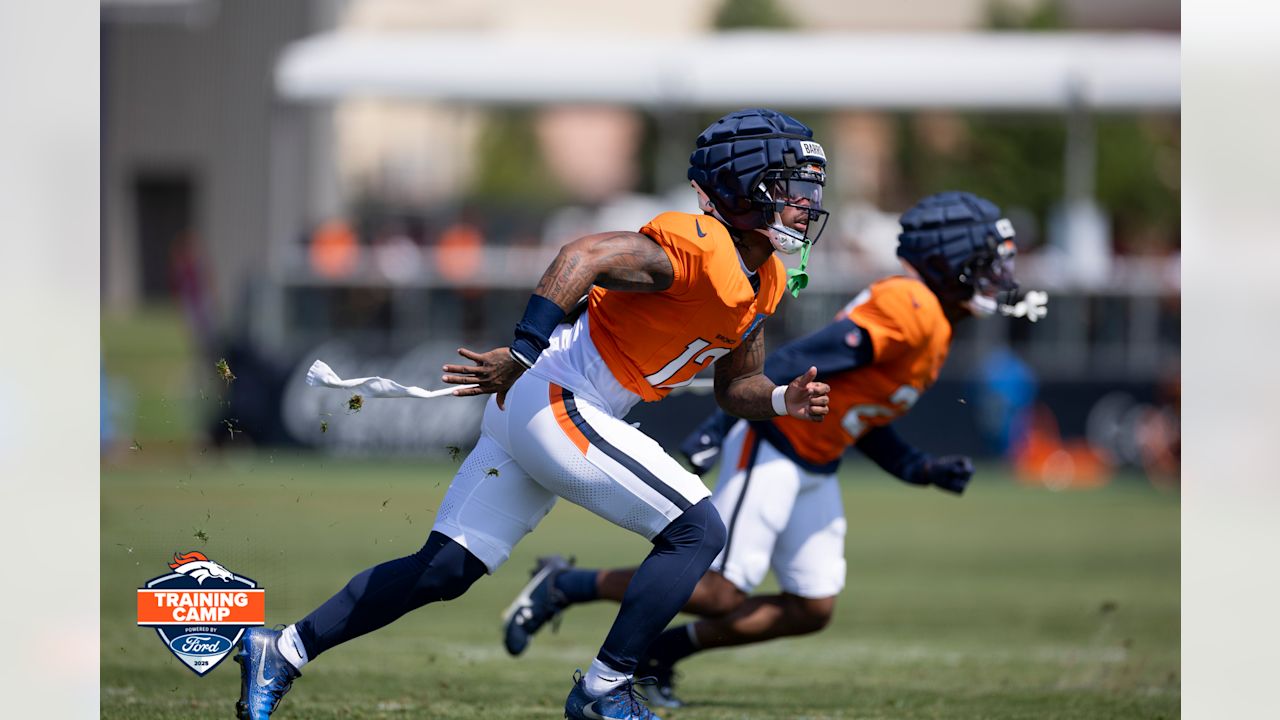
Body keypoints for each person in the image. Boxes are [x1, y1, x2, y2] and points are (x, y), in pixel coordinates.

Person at [233, 108, 833, 720]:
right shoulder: (699, 246)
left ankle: (280, 649)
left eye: (809, 191)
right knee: (697, 530)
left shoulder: (765, 281)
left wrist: (785, 399)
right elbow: (585, 255)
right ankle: (604, 689)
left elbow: (737, 386)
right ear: (742, 188)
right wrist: (522, 350)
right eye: (790, 189)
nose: (804, 205)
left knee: (443, 570)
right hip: (559, 395)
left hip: (553, 406)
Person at [501, 191, 1048, 708]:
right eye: (988, 264)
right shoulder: (909, 305)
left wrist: (917, 467)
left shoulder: (935, 328)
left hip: (817, 461)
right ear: (952, 261)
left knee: (812, 607)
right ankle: (567, 586)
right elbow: (799, 362)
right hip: (775, 443)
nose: (1000, 279)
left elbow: (858, 414)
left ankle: (665, 651)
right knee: (720, 591)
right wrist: (721, 422)